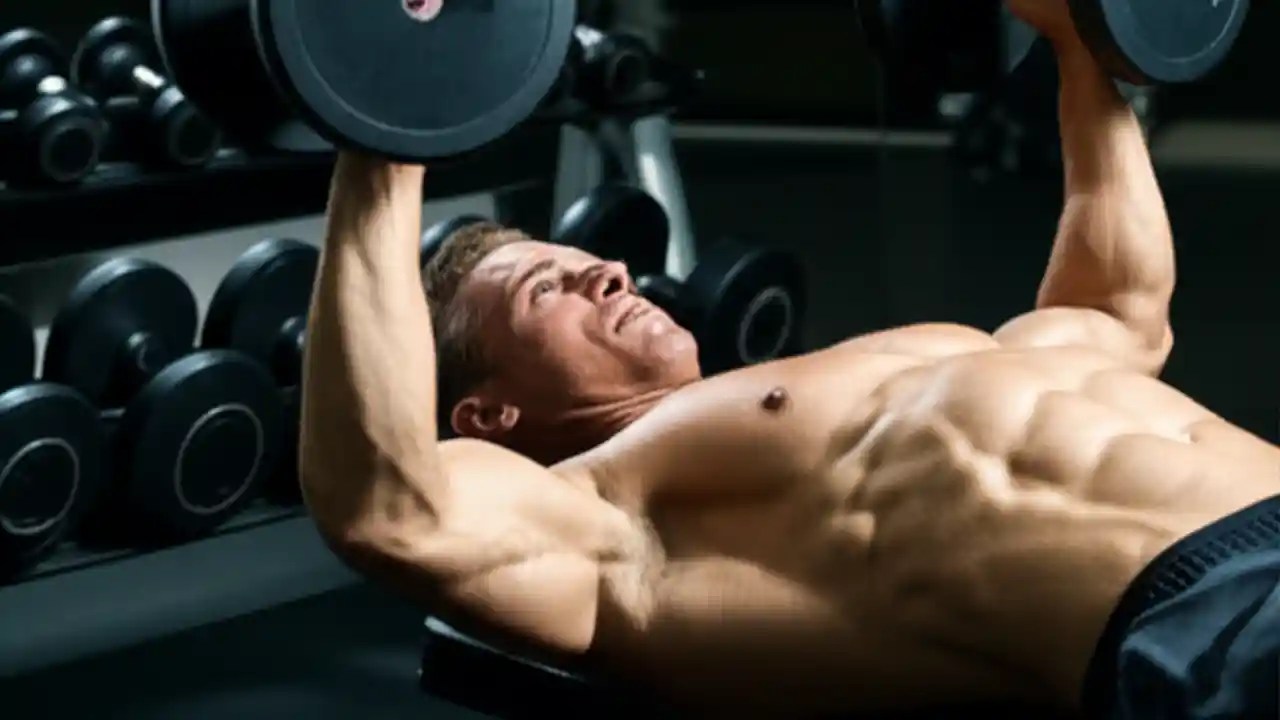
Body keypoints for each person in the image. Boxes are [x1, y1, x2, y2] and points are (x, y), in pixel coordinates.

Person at [298, 2, 1280, 718]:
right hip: (1211, 621)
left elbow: (1115, 317)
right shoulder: (614, 519)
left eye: (582, 259)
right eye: (542, 289)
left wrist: (1077, 46)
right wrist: (392, 130)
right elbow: (392, 511)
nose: (602, 269)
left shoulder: (909, 361)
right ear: (486, 416)